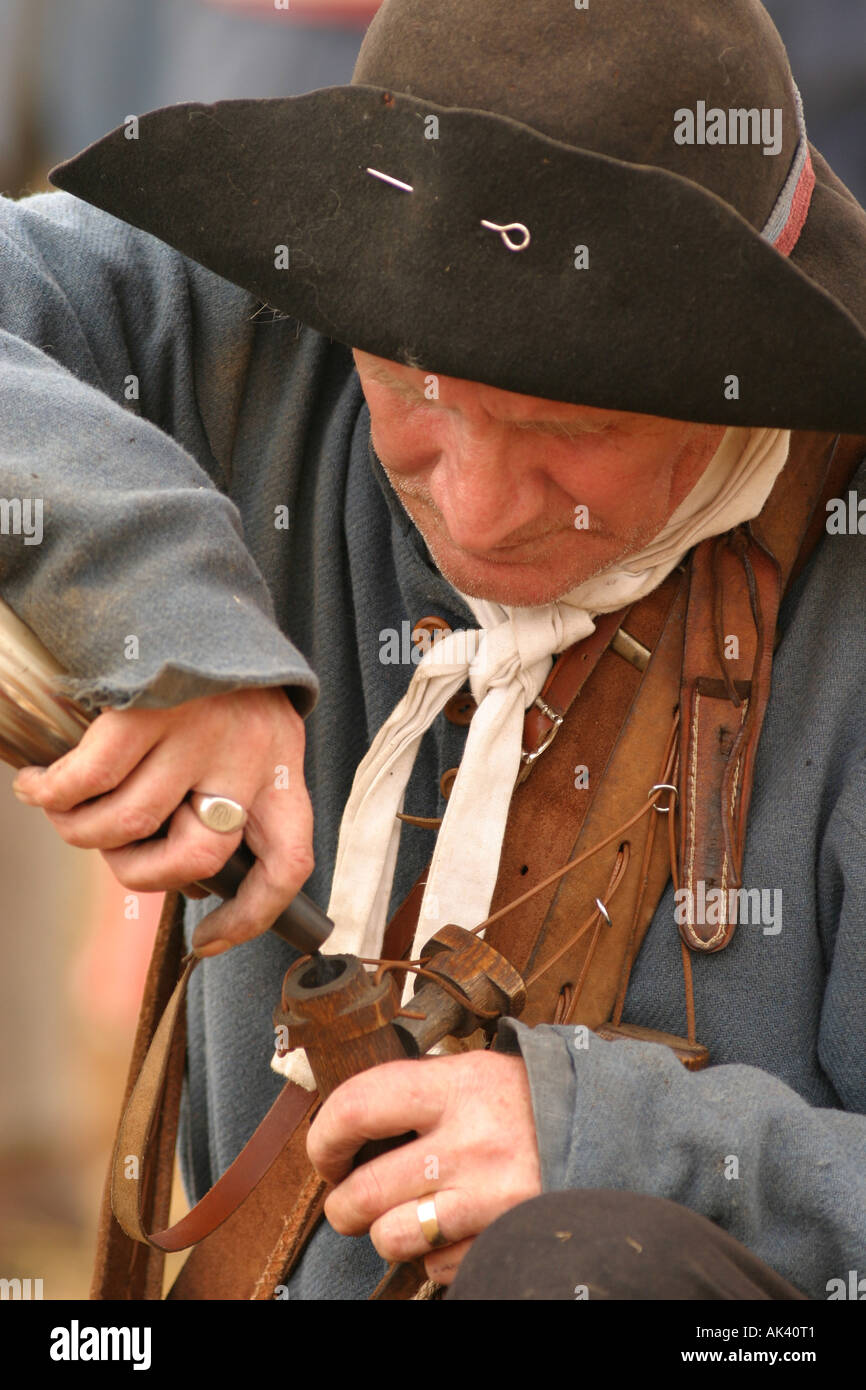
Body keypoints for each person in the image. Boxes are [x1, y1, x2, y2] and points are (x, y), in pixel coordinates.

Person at [2, 0, 865, 1300]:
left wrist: (611, 1149)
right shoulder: (267, 336)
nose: (469, 505)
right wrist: (168, 614)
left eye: (563, 429)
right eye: (412, 392)